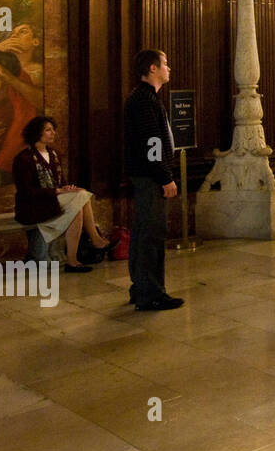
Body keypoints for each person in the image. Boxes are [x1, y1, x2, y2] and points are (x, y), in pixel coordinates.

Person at [122, 49, 183, 310]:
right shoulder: (145, 100)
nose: (169, 68)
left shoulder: (145, 97)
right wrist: (165, 177)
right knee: (152, 235)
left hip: (147, 175)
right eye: (165, 64)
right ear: (153, 68)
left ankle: (141, 288)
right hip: (151, 177)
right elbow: (152, 143)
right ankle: (151, 294)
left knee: (143, 232)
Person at [13, 115, 112, 272]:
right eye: (48, 130)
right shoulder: (24, 158)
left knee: (81, 197)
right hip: (33, 205)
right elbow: (26, 191)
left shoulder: (53, 154)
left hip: (53, 200)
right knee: (79, 203)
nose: (53, 133)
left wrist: (67, 189)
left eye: (53, 130)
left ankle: (74, 259)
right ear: (37, 133)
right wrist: (57, 191)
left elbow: (60, 183)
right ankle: (92, 242)